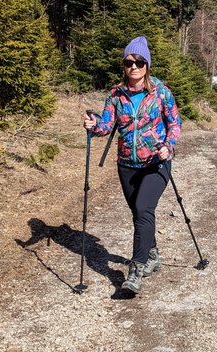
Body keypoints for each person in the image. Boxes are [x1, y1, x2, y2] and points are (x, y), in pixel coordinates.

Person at [82, 36, 181, 294]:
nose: (133, 67)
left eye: (138, 62)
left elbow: (175, 125)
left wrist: (167, 146)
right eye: (128, 63)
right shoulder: (115, 94)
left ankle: (135, 271)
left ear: (147, 65)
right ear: (124, 66)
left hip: (156, 163)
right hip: (127, 163)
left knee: (142, 208)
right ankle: (152, 255)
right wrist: (94, 128)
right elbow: (106, 125)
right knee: (140, 214)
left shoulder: (161, 93)